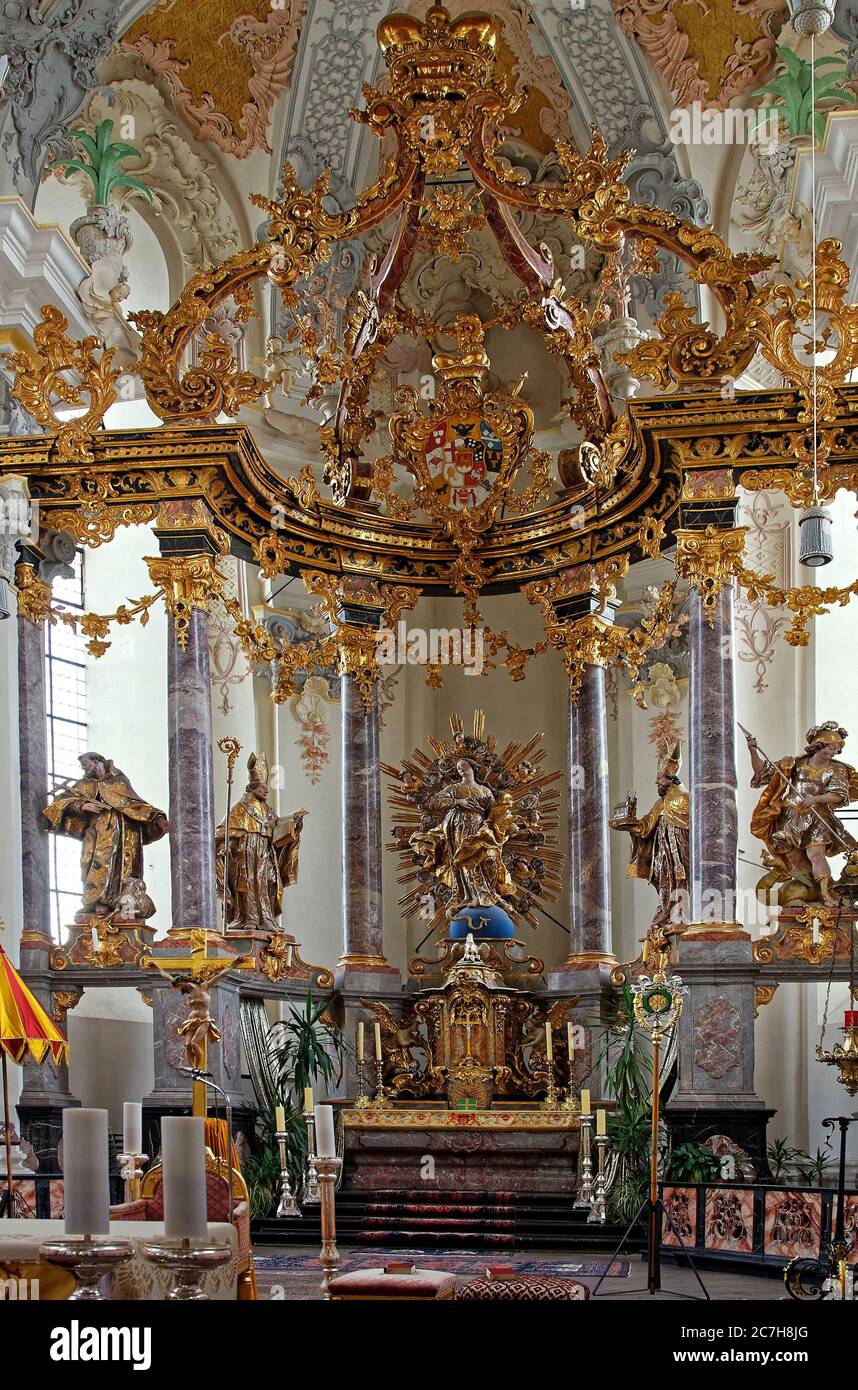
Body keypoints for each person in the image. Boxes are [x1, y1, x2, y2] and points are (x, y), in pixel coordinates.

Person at [43, 753, 168, 920]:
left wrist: (156, 818)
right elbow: (65, 801)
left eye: (86, 765)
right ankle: (93, 902)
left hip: (122, 831)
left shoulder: (118, 780)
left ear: (97, 761)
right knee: (90, 863)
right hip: (95, 832)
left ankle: (117, 904)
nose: (84, 769)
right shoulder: (83, 784)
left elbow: (134, 803)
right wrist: (82, 805)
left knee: (122, 866)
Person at [747, 721, 858, 906]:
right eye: (831, 747)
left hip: (817, 815)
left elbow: (838, 795)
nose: (834, 752)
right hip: (791, 815)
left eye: (837, 748)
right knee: (794, 857)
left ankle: (825, 894)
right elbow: (763, 773)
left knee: (816, 854)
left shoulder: (836, 769)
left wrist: (815, 800)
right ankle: (808, 891)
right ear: (819, 745)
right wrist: (753, 751)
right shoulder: (794, 763)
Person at [215, 752, 306, 932]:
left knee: (269, 882)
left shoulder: (268, 809)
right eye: (262, 787)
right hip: (246, 852)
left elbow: (278, 831)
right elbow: (222, 832)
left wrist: (295, 827)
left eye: (266, 787)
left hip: (266, 852)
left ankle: (267, 918)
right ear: (252, 788)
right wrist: (226, 846)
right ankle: (248, 918)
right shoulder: (239, 807)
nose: (266, 790)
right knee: (248, 884)